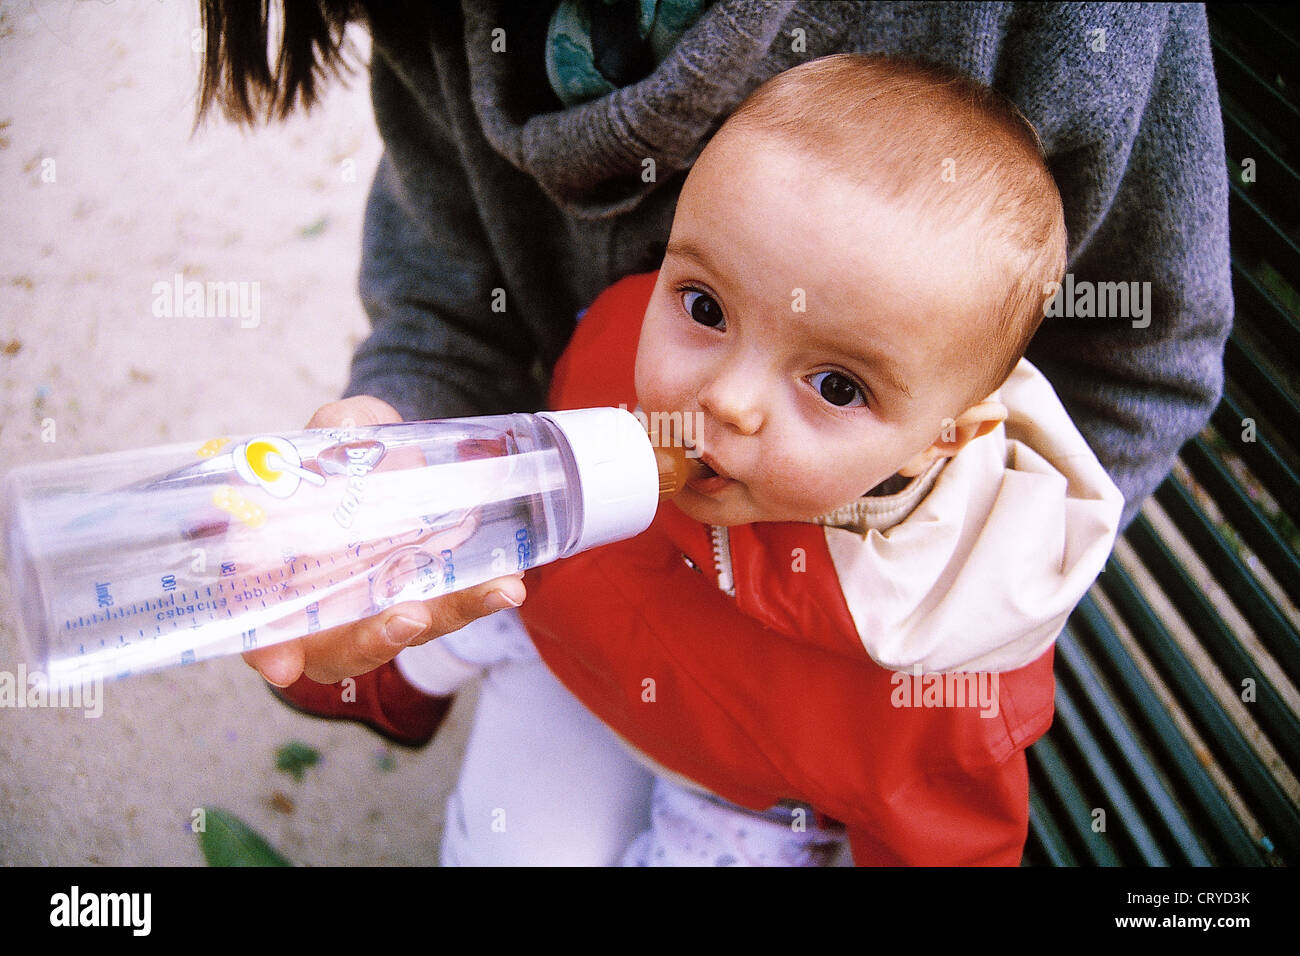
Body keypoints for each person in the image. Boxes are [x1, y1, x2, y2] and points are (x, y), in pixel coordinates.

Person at [195, 1, 1230, 862]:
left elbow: (940, 828)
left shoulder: (945, 665)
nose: (725, 400)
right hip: (580, 670)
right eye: (703, 306)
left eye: (834, 382)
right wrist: (390, 520)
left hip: (748, 801)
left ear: (942, 442)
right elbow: (522, 518)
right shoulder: (607, 351)